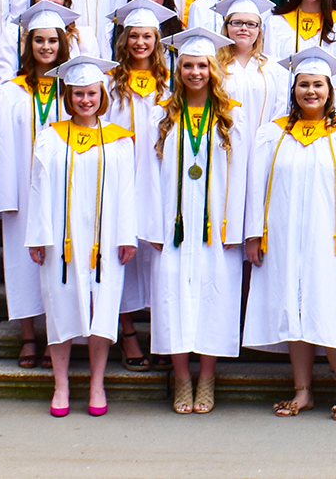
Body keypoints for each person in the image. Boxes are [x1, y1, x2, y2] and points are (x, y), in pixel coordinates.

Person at [243, 47, 336, 422]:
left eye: (318, 84)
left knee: (331, 312)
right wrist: (254, 234)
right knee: (293, 310)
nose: (311, 91)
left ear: (330, 90)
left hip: (329, 243)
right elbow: (257, 185)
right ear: (294, 89)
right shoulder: (274, 132)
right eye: (304, 84)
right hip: (283, 240)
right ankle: (302, 392)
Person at [22, 54, 141, 417]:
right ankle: (61, 384)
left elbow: (126, 191)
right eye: (77, 95)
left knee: (102, 308)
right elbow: (38, 188)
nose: (85, 101)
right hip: (61, 239)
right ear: (68, 96)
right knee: (60, 306)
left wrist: (126, 236)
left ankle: (96, 382)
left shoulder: (119, 140)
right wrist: (38, 237)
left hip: (104, 239)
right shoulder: (51, 138)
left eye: (91, 94)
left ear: (101, 95)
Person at [146, 28, 249, 414]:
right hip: (173, 225)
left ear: (213, 69)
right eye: (188, 65)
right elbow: (146, 173)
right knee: (171, 298)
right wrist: (152, 226)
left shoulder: (230, 115)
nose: (195, 72)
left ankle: (207, 377)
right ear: (178, 69)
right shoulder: (162, 113)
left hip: (214, 228)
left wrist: (236, 226)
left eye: (202, 65)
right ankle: (181, 379)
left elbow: (242, 174)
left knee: (212, 298)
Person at [0, 1, 83, 369]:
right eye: (39, 41)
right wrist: (3, 199)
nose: (46, 47)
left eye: (52, 41)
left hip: (63, 191)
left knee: (59, 264)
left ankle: (56, 337)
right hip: (23, 194)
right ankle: (29, 335)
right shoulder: (11, 91)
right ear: (28, 45)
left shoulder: (72, 89)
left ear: (63, 44)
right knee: (21, 263)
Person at [105, 0, 179, 370]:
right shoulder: (109, 83)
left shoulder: (169, 85)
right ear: (124, 40)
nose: (140, 43)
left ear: (157, 41)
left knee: (157, 257)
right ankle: (128, 331)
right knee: (122, 253)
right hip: (119, 178)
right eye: (134, 36)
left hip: (159, 178)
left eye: (147, 36)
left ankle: (163, 335)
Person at [214, 0, 291, 122]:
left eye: (251, 24)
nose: (244, 28)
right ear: (226, 28)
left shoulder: (276, 68)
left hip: (265, 140)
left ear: (259, 30)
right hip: (222, 140)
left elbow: (280, 112)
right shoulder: (214, 66)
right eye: (237, 23)